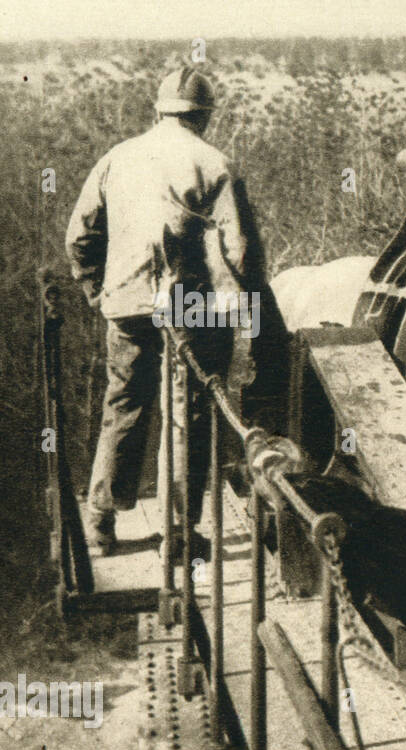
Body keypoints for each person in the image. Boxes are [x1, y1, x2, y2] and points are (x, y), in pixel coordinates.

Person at [66, 67, 275, 558]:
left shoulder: (117, 158)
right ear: (203, 116)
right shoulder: (215, 163)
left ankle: (100, 521)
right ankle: (177, 535)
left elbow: (80, 236)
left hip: (128, 304)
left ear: (158, 110)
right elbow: (241, 251)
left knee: (124, 406)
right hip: (193, 309)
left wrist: (99, 291)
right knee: (190, 416)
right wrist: (250, 321)